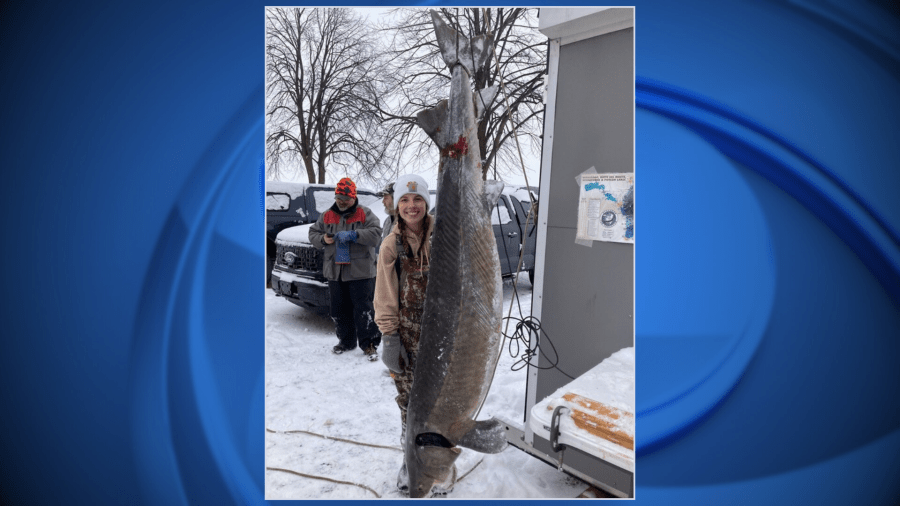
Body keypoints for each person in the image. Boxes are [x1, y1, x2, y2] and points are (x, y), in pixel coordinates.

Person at [374, 173, 452, 494]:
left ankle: (441, 465)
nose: (410, 206)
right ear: (397, 205)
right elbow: (384, 294)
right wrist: (390, 338)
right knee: (409, 406)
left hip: (443, 337)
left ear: (426, 202)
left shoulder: (445, 238)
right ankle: (411, 462)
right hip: (406, 336)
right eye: (404, 200)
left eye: (417, 199)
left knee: (442, 405)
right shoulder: (391, 245)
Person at [309, 177, 383, 361]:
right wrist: (323, 239)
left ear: (354, 197)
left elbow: (376, 235)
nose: (342, 203)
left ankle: (369, 344)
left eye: (346, 200)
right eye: (339, 199)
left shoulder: (365, 213)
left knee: (364, 309)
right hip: (335, 271)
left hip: (361, 272)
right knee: (339, 310)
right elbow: (313, 233)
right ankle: (346, 341)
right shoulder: (327, 215)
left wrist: (355, 234)